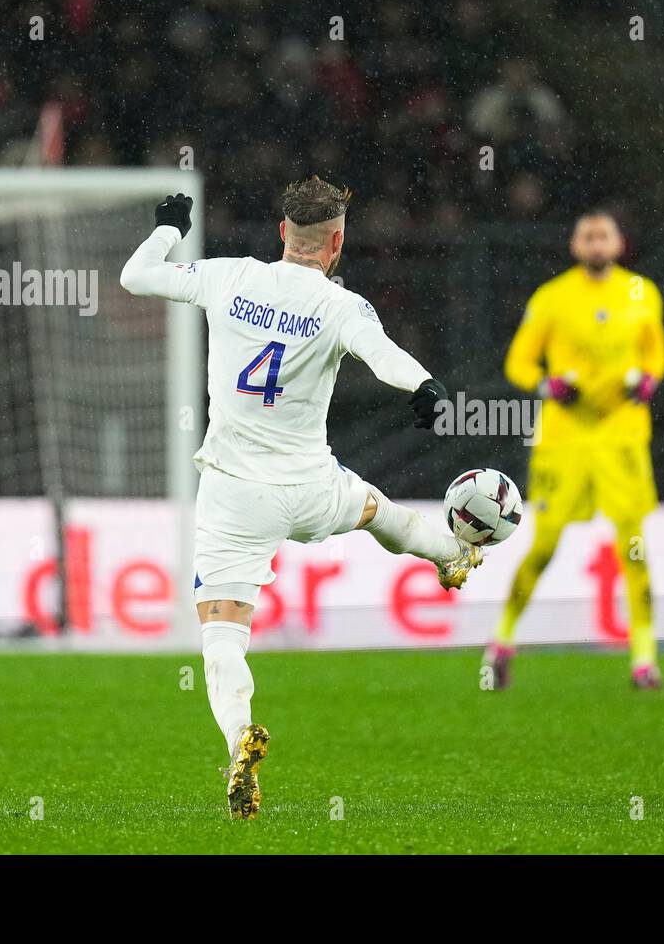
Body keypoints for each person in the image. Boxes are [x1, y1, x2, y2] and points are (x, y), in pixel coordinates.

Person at [119, 177, 483, 819]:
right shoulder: (342, 304)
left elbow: (137, 277)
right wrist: (427, 387)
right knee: (372, 508)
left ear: (282, 232)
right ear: (337, 241)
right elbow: (385, 357)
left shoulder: (228, 276)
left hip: (235, 491)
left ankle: (239, 742)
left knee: (223, 631)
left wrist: (171, 227)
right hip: (312, 487)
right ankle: (450, 555)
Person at [484, 211, 664, 689]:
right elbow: (519, 362)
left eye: (603, 234)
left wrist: (648, 381)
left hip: (622, 435)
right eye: (587, 235)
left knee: (633, 546)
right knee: (543, 546)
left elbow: (656, 355)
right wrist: (547, 385)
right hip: (564, 439)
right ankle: (502, 642)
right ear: (574, 245)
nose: (595, 242)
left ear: (619, 242)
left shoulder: (641, 293)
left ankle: (644, 659)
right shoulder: (552, 297)